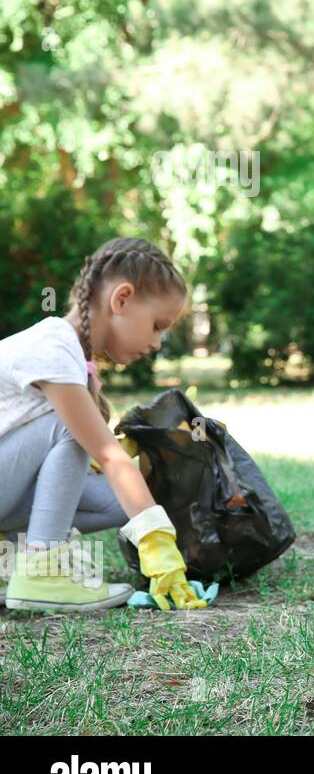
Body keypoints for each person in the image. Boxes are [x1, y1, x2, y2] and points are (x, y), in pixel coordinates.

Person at [0, 238, 208, 612]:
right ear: (122, 299)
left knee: (121, 500)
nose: (159, 342)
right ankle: (41, 571)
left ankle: (18, 562)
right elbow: (109, 455)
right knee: (72, 428)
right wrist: (156, 542)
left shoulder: (70, 356)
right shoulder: (53, 344)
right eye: (158, 325)